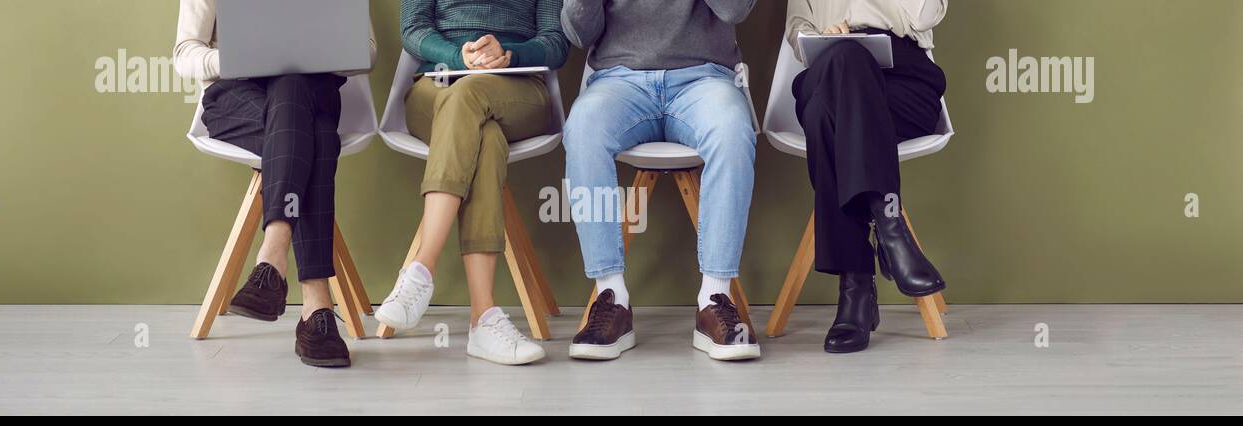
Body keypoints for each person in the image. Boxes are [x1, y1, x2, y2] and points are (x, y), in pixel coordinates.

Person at [174, 0, 377, 368]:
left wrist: (306, 54)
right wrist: (244, 58)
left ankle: (272, 258)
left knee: (293, 86)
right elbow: (184, 53)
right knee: (315, 139)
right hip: (235, 97)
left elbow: (367, 51)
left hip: (313, 90)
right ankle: (317, 309)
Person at [561, 0, 761, 362]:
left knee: (733, 128)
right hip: (619, 80)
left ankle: (715, 298)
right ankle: (611, 298)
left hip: (705, 78)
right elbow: (578, 33)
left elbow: (735, 11)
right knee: (583, 127)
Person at [375, 0, 570, 366]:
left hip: (517, 88)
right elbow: (413, 28)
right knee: (487, 138)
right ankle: (483, 319)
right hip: (437, 86)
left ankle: (420, 271)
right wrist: (456, 55)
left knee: (469, 94)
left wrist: (510, 55)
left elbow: (556, 41)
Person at [786, 0, 948, 354]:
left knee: (822, 118)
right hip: (827, 69)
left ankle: (857, 287)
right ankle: (891, 230)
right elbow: (796, 30)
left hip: (902, 84)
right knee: (844, 58)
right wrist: (820, 37)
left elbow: (925, 14)